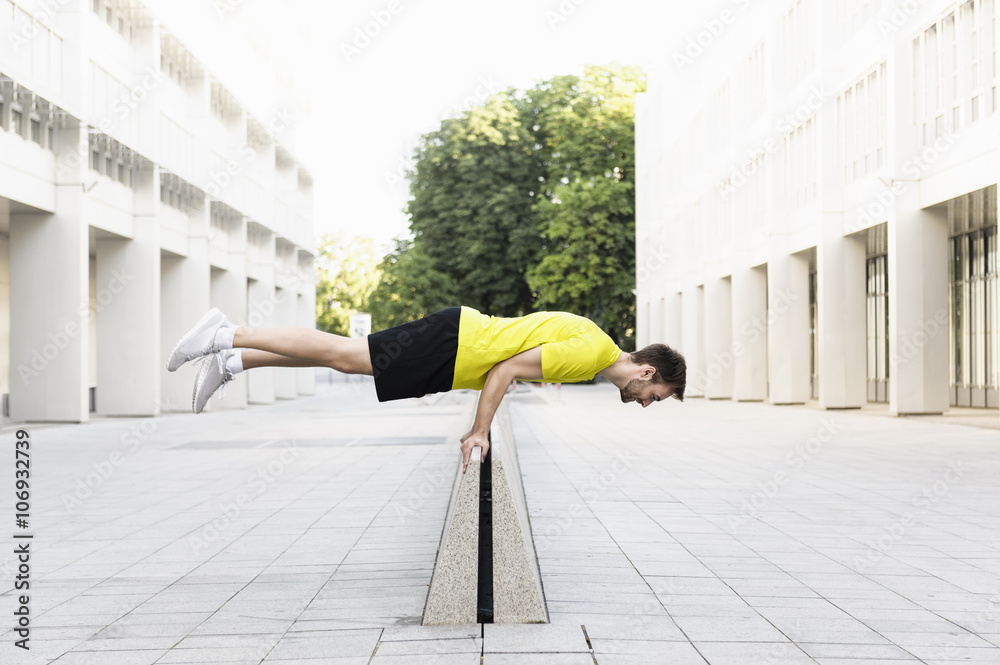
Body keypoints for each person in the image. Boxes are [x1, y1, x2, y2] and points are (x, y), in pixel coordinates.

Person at [167, 306, 686, 472]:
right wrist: (478, 431)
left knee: (348, 365)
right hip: (455, 343)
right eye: (654, 397)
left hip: (454, 358)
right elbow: (503, 372)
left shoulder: (591, 358)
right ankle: (223, 333)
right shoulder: (591, 353)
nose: (646, 404)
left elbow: (504, 369)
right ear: (647, 373)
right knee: (345, 352)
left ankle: (235, 361)